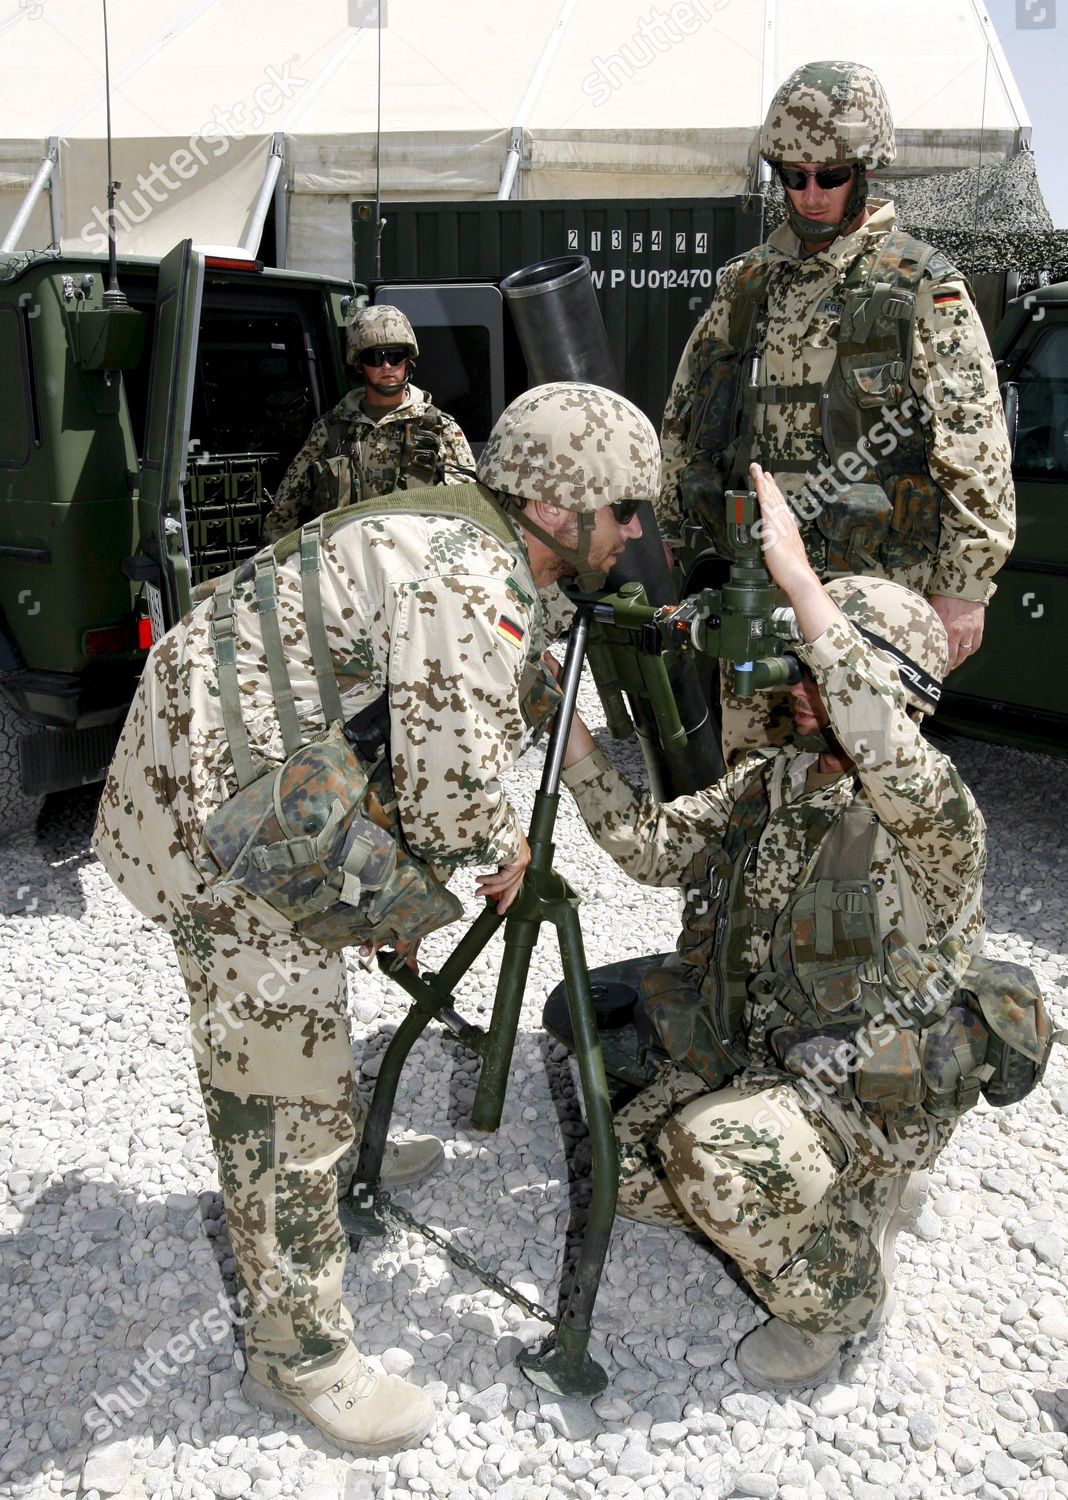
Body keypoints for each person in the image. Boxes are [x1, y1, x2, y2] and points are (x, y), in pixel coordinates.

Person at [93, 382, 656, 1453]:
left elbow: (496, 699)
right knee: (277, 1083)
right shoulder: (470, 576)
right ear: (561, 509)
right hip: (225, 805)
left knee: (333, 964)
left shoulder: (478, 531)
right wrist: (504, 847)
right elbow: (451, 794)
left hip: (261, 765)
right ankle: (296, 1354)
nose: (636, 530)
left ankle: (338, 1149)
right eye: (625, 508)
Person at [557, 461, 999, 1389]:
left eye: (821, 666)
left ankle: (844, 1299)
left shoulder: (933, 814)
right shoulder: (780, 779)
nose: (801, 686)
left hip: (865, 1088)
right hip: (776, 1058)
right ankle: (834, 1198)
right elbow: (649, 847)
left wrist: (800, 582)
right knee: (634, 1177)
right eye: (802, 665)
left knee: (711, 1162)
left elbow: (879, 734)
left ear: (894, 690)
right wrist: (569, 740)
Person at [658, 60, 1015, 762]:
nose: (812, 194)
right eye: (795, 177)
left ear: (866, 171)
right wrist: (673, 542)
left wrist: (966, 587)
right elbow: (686, 422)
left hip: (875, 597)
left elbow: (974, 444)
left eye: (831, 176)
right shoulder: (747, 285)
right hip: (757, 591)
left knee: (861, 789)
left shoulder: (920, 285)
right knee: (748, 786)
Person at [262, 304, 476, 542]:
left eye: (395, 356)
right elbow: (283, 512)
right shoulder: (331, 429)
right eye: (374, 358)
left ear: (408, 361)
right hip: (346, 565)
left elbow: (468, 510)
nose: (386, 366)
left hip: (416, 564)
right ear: (358, 364)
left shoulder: (440, 428)